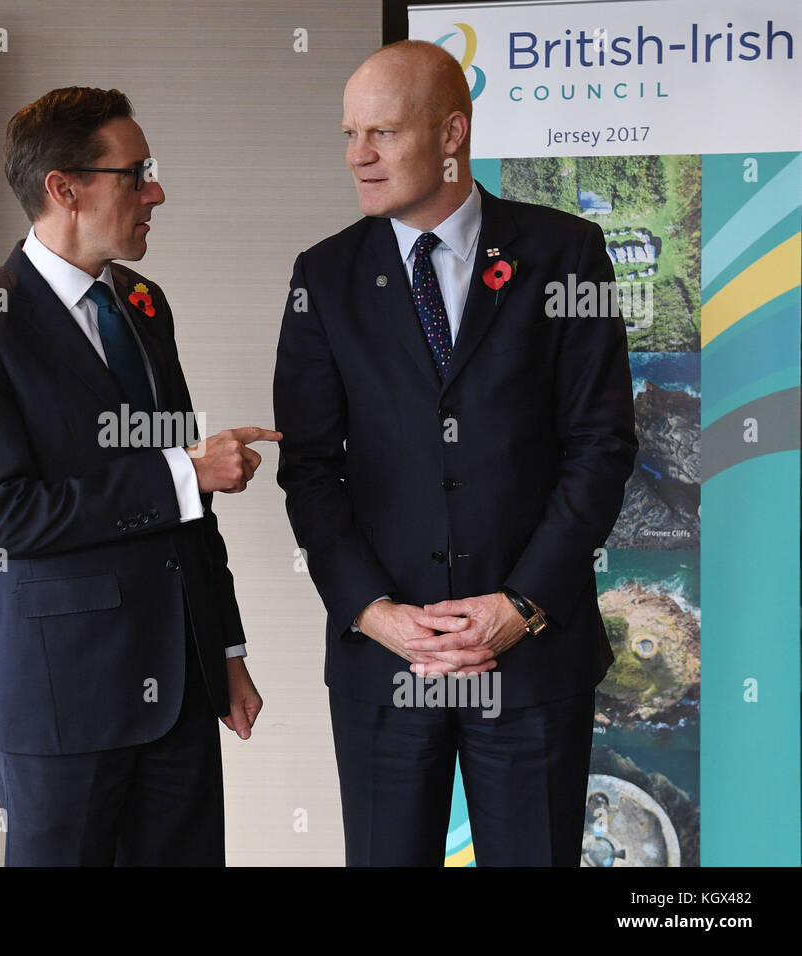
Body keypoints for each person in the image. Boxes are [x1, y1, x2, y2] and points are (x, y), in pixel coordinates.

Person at [273, 41, 637, 866]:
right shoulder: (322, 277)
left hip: (534, 657)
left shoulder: (566, 255)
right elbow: (310, 469)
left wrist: (521, 606)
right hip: (382, 665)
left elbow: (601, 445)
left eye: (381, 133)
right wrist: (374, 613)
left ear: (452, 133)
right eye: (349, 133)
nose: (356, 156)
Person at [0, 87, 275, 866]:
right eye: (136, 172)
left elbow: (192, 510)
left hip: (181, 686)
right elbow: (7, 517)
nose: (155, 191)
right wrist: (183, 471)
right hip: (61, 700)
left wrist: (224, 648)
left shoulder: (147, 306)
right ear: (65, 187)